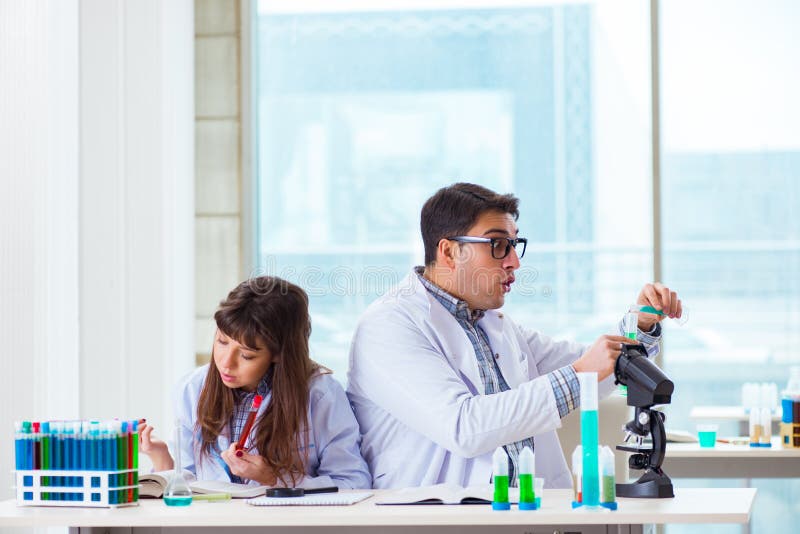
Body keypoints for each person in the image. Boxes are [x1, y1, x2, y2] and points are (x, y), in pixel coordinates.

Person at [347, 183, 682, 489]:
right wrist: (581, 372)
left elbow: (597, 371)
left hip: (517, 511)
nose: (513, 263)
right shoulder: (388, 325)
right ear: (448, 252)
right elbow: (463, 426)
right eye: (497, 245)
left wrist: (641, 326)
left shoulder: (494, 325)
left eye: (514, 245)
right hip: (431, 517)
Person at [139, 276, 371, 489]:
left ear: (279, 353)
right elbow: (185, 485)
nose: (226, 363)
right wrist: (161, 458)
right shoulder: (192, 389)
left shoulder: (321, 395)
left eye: (246, 355)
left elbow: (353, 482)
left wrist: (274, 479)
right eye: (222, 342)